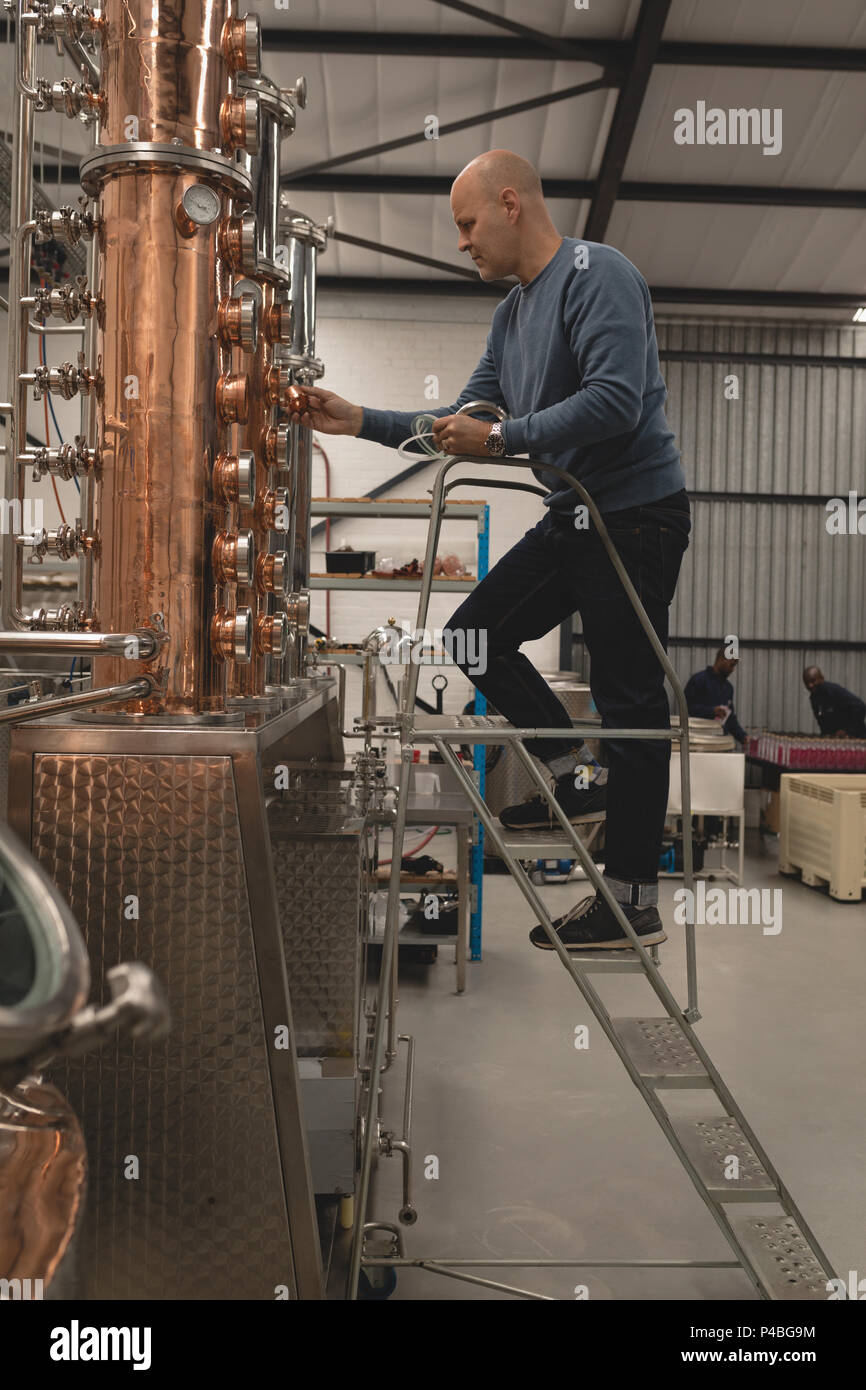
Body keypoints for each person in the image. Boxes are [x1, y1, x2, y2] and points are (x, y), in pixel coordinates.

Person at [288, 150, 690, 953]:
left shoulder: (596, 275)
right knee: (474, 633)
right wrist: (358, 418)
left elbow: (614, 401)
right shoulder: (511, 318)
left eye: (468, 225)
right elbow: (456, 424)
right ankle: (571, 769)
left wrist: (503, 435)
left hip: (636, 512)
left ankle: (633, 900)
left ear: (511, 204)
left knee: (632, 703)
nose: (463, 242)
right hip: (571, 511)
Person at [685, 647, 748, 745]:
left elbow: (729, 718)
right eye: (732, 665)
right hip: (698, 740)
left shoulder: (728, 688)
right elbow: (687, 708)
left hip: (720, 741)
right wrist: (712, 711)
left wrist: (742, 736)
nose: (732, 669)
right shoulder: (698, 680)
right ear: (722, 659)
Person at [802, 667, 866, 738]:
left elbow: (860, 707)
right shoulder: (814, 698)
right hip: (836, 741)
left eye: (813, 681)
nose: (810, 685)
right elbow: (822, 723)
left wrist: (846, 730)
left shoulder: (834, 691)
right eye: (806, 683)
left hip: (857, 738)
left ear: (822, 678)